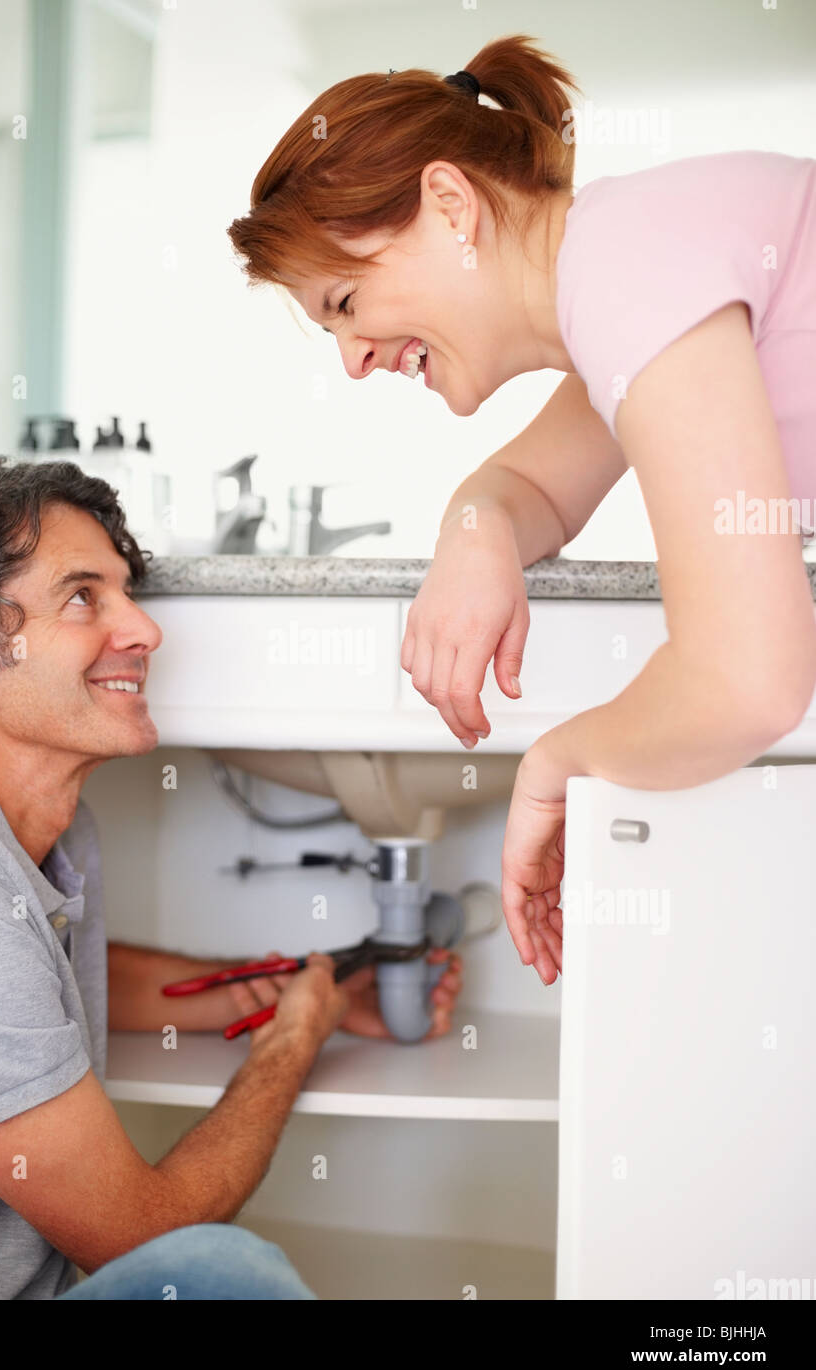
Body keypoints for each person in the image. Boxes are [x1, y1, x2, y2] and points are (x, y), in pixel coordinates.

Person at [227, 32, 816, 988]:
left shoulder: (629, 265)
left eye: (345, 299)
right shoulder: (618, 280)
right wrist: (477, 521)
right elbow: (533, 486)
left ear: (451, 205)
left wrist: (557, 764)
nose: (352, 359)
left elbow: (746, 681)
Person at [0, 458, 461, 1300]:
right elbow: (141, 1237)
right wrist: (291, 1046)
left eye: (129, 593)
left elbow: (36, 986)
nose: (145, 631)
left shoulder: (45, 829)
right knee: (223, 1274)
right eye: (84, 597)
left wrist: (304, 995)